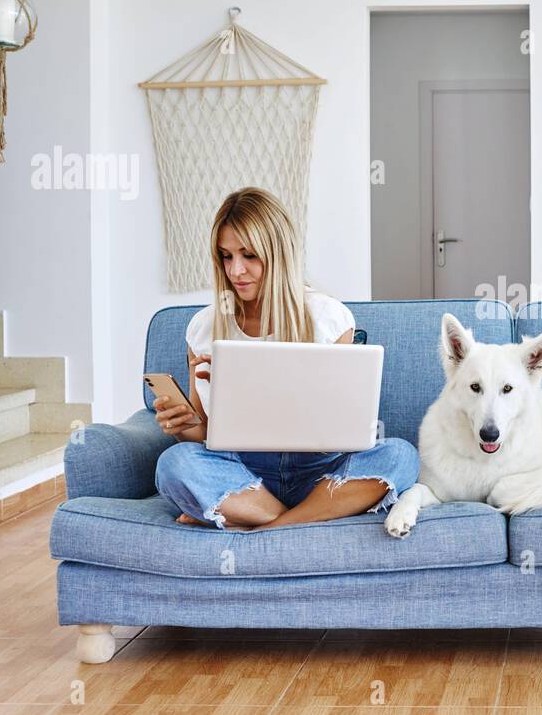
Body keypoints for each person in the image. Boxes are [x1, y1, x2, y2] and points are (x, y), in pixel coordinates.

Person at [152, 186, 419, 530]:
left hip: (319, 470)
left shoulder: (327, 317)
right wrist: (185, 425)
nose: (236, 271)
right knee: (174, 464)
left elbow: (344, 428)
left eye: (249, 255)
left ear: (278, 254)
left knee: (400, 455)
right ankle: (304, 518)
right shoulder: (203, 327)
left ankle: (261, 525)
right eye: (226, 256)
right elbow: (204, 436)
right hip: (244, 472)